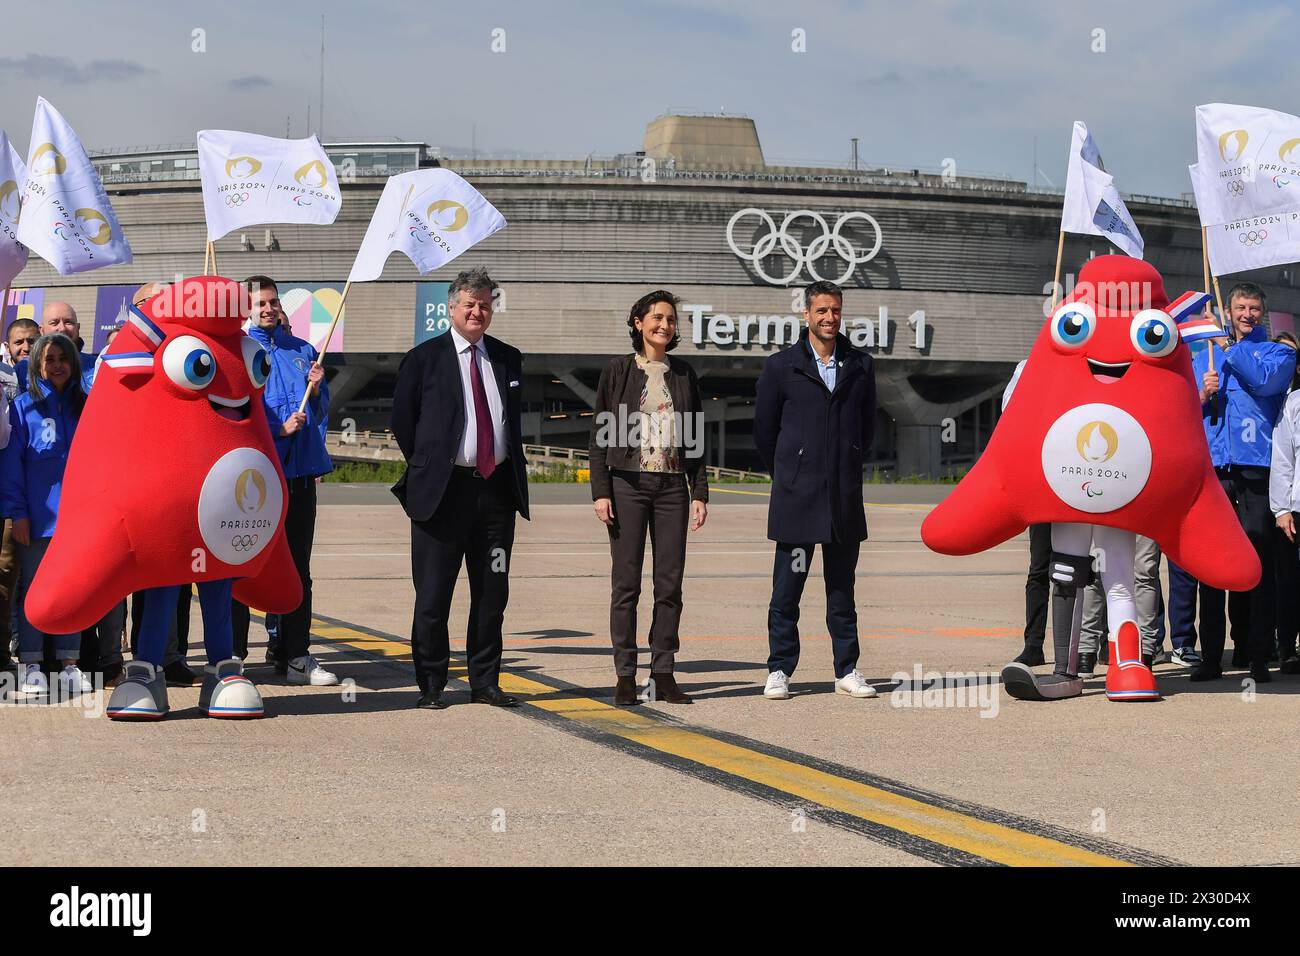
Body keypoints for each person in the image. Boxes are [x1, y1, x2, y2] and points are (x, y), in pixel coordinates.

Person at [390, 267, 530, 710]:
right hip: (442, 495)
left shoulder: (509, 358)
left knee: (492, 595)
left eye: (485, 304)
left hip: (495, 496)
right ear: (451, 308)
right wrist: (429, 466)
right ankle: (431, 684)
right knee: (433, 596)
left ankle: (485, 681)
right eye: (469, 303)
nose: (477, 311)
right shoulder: (423, 358)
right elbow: (402, 423)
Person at [754, 279, 878, 700]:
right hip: (797, 503)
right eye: (821, 310)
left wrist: (846, 461)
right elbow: (765, 433)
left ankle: (847, 669)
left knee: (842, 591)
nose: (829, 318)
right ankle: (779, 668)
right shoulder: (781, 367)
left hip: (843, 501)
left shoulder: (860, 365)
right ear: (805, 315)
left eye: (836, 310)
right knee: (787, 591)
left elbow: (868, 429)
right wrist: (792, 471)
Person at [588, 290, 709, 705]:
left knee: (669, 584)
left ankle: (663, 672)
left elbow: (695, 436)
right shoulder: (618, 370)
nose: (665, 325)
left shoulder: (684, 374)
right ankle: (625, 674)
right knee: (626, 585)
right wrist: (601, 491)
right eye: (656, 317)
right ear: (638, 323)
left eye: (671, 320)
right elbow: (600, 435)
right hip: (628, 486)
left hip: (673, 487)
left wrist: (700, 492)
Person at [231, 275, 337, 686]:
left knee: (298, 570)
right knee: (242, 566)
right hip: (253, 480)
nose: (268, 308)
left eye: (273, 302)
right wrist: (278, 429)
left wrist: (319, 386)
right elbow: (234, 413)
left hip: (298, 480)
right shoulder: (237, 353)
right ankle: (232, 657)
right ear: (246, 308)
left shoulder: (303, 351)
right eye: (260, 303)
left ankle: (296, 655)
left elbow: (321, 413)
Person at [1193, 282, 1295, 682]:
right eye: (1240, 306)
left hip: (1257, 469)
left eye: (1254, 307)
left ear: (1262, 313)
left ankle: (1256, 653)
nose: (1247, 314)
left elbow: (1265, 383)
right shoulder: (1205, 356)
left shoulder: (1278, 353)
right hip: (1216, 469)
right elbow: (1183, 407)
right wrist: (1203, 394)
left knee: (1257, 563)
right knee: (1212, 564)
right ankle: (1210, 656)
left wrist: (1229, 346)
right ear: (1229, 309)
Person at [1, 334, 89, 695]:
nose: (57, 365)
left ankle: (70, 662)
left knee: (73, 591)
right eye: (49, 359)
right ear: (36, 364)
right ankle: (32, 664)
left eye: (63, 358)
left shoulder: (86, 406)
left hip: (78, 520)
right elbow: (12, 469)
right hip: (36, 521)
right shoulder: (22, 408)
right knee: (35, 593)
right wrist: (18, 514)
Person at [1268, 342, 1300, 673]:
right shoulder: (1293, 403)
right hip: (1297, 509)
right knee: (1290, 582)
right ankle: (1287, 647)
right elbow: (1283, 459)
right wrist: (1281, 509)